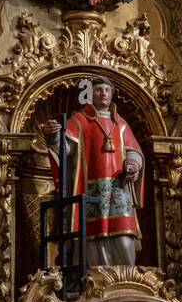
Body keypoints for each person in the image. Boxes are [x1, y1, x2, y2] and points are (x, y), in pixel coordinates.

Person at [43, 75, 144, 266]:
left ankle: (125, 279)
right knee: (91, 238)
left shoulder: (121, 124)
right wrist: (53, 136)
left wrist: (132, 164)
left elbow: (134, 151)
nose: (103, 94)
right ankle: (93, 279)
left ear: (112, 94)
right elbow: (64, 151)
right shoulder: (79, 121)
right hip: (88, 190)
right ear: (90, 93)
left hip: (118, 189)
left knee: (123, 237)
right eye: (98, 90)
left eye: (107, 90)